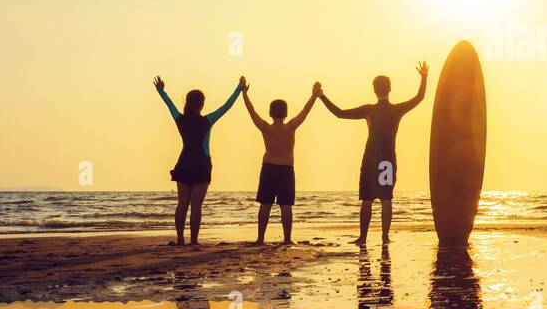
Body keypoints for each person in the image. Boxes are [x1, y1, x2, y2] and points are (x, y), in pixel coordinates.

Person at [320, 62, 428, 248]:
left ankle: (363, 238)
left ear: (374, 90)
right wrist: (424, 77)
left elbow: (339, 113)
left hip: (370, 160)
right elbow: (419, 97)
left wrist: (321, 96)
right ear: (390, 89)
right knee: (386, 199)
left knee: (367, 199)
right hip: (387, 160)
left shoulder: (369, 110)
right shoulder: (396, 110)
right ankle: (385, 237)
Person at [153, 74, 243, 246]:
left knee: (182, 204)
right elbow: (227, 106)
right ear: (201, 104)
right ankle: (193, 240)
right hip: (201, 164)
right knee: (196, 206)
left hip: (184, 164)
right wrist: (239, 88)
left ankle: (180, 239)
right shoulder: (207, 120)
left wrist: (161, 91)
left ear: (187, 102)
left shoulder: (179, 119)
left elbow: (169, 104)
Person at [242, 79, 320, 244]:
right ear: (286, 113)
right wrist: (314, 95)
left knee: (265, 204)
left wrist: (244, 93)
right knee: (286, 205)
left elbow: (251, 110)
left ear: (270, 113)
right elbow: (305, 110)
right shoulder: (290, 126)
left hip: (268, 168)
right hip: (286, 169)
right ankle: (287, 239)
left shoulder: (266, 127)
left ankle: (260, 238)